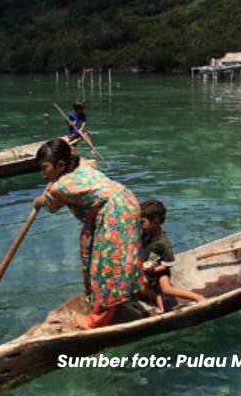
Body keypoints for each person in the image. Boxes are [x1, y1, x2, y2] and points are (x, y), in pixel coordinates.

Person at [32, 137, 143, 329]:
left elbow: (50, 205)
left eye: (45, 168)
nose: (42, 174)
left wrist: (39, 201)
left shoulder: (60, 187)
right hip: (125, 201)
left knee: (108, 265)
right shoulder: (81, 165)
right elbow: (83, 159)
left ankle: (97, 320)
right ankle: (110, 297)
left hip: (115, 213)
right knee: (100, 256)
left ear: (60, 165)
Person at [136, 198, 206, 313]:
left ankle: (198, 297)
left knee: (167, 289)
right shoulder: (145, 234)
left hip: (160, 272)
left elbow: (168, 264)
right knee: (137, 285)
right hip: (147, 269)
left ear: (155, 222)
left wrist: (153, 270)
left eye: (142, 222)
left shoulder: (163, 243)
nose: (139, 224)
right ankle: (156, 297)